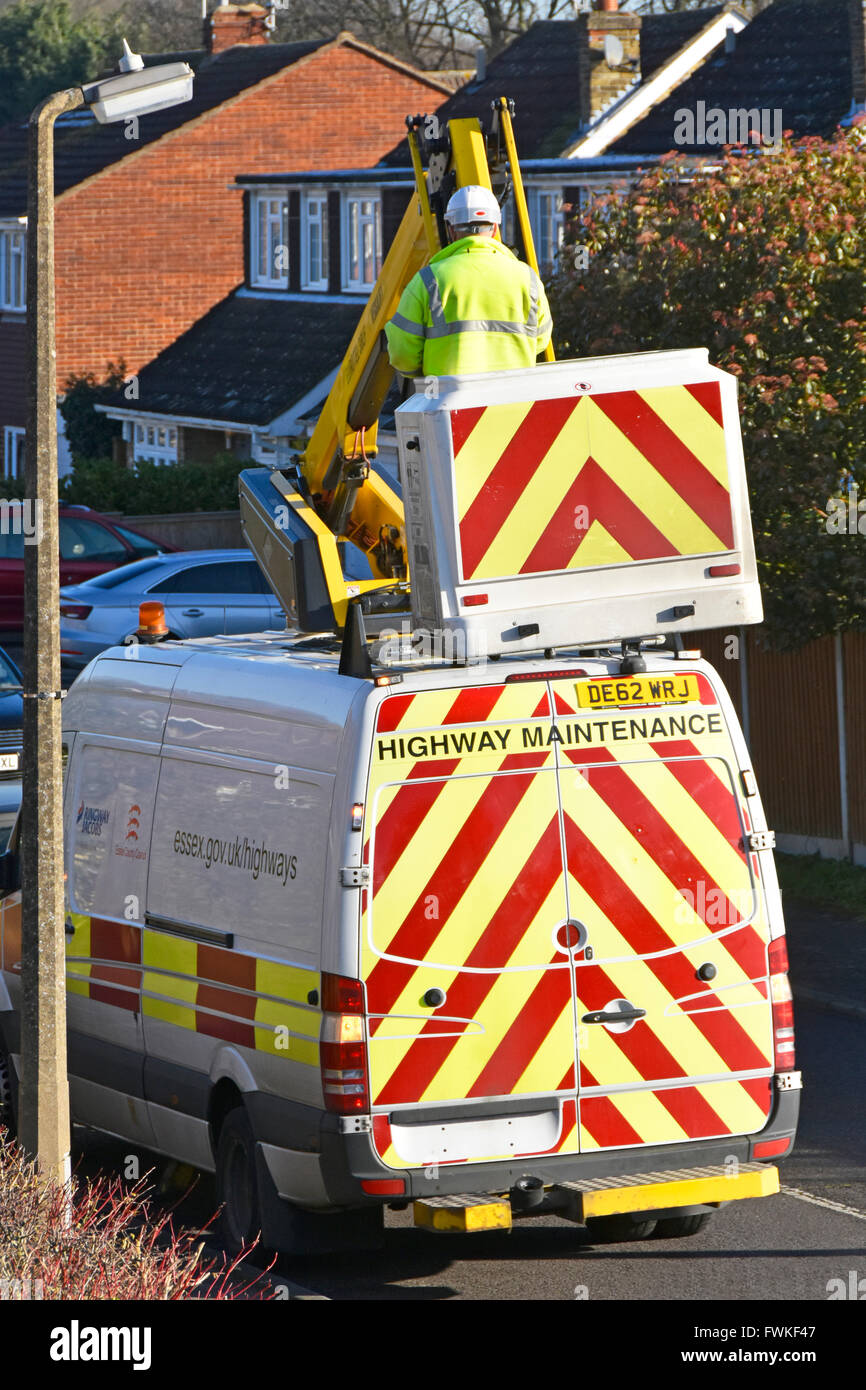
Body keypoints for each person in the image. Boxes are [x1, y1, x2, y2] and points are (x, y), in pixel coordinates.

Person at [385, 184, 552, 378]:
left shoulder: (428, 280)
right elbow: (541, 340)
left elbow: (401, 353)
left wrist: (422, 376)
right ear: (496, 227)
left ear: (451, 229)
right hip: (513, 401)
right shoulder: (528, 279)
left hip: (449, 401)